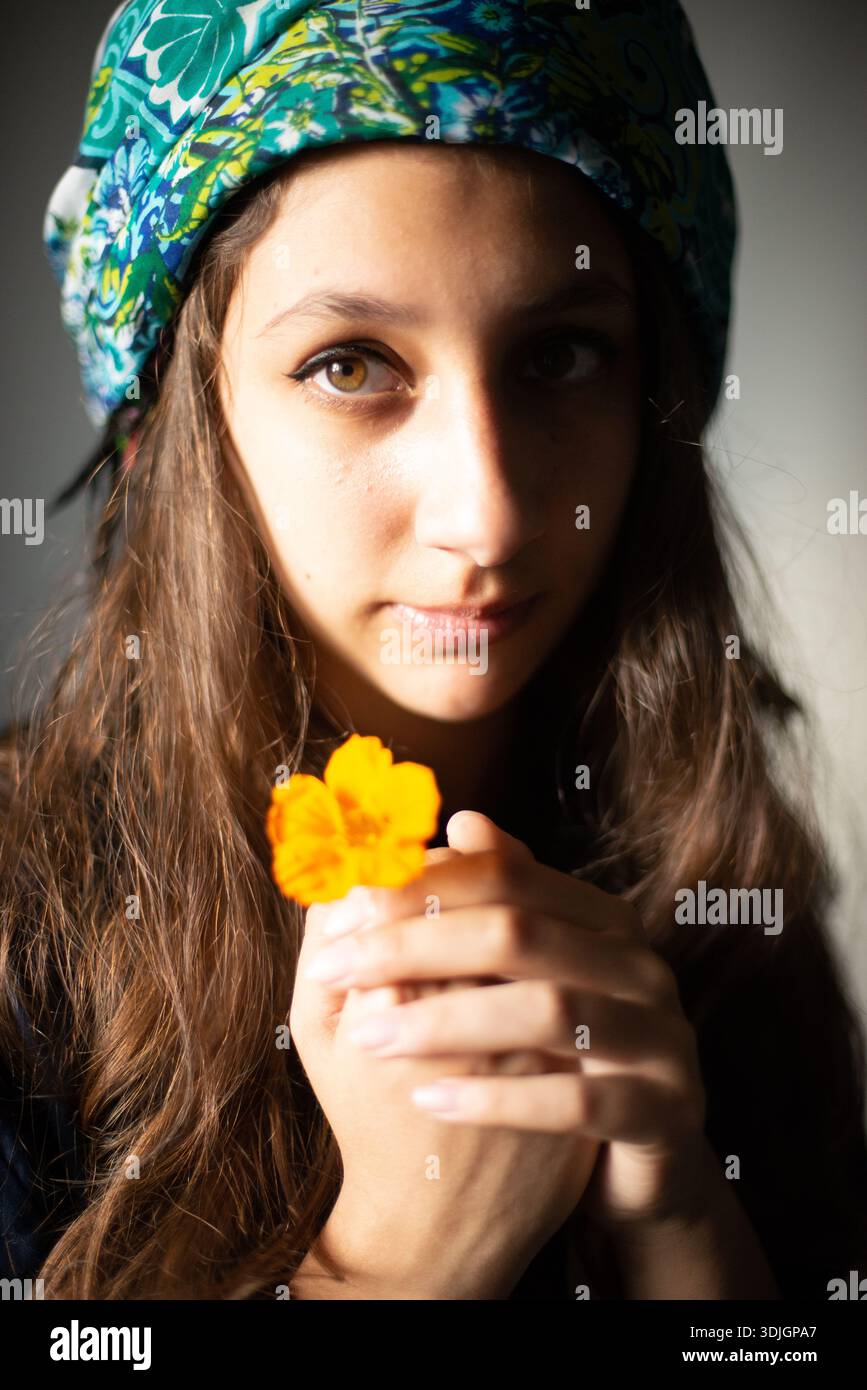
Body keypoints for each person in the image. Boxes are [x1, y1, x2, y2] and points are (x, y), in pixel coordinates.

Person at [1, 0, 865, 1301]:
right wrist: (391, 1274)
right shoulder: (20, 939)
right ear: (188, 416)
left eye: (560, 354)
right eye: (351, 364)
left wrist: (690, 1240)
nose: (492, 512)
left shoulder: (731, 905)